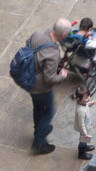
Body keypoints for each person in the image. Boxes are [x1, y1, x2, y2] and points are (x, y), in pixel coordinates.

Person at [27, 19, 71, 154]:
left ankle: (38, 129)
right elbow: (49, 78)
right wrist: (62, 76)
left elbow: (28, 46)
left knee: (38, 108)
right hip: (41, 87)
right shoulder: (52, 53)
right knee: (48, 112)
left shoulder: (37, 34)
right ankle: (39, 142)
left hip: (29, 78)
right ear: (63, 34)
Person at [73, 84, 96, 160]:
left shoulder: (82, 103)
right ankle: (81, 153)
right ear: (79, 99)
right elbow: (81, 124)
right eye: (86, 97)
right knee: (82, 140)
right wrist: (84, 133)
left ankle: (85, 147)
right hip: (83, 129)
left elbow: (86, 105)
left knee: (84, 140)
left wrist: (90, 104)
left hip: (86, 125)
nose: (89, 98)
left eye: (89, 96)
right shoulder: (81, 111)